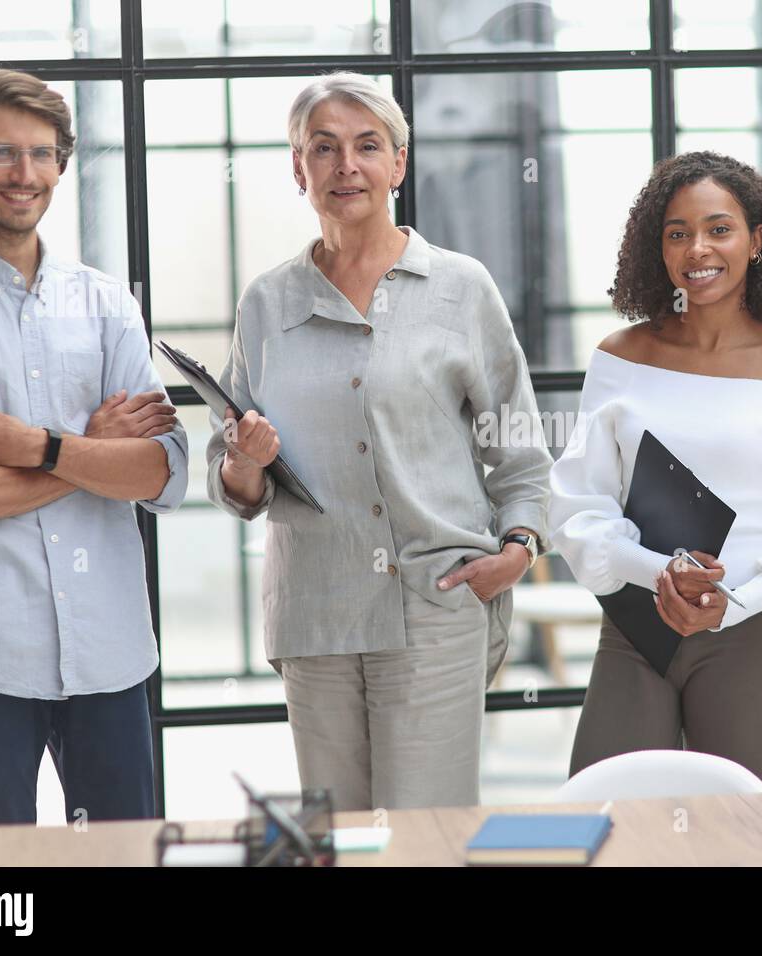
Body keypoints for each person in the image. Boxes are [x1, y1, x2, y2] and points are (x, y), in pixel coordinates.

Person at [205, 72, 552, 812]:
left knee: (425, 838)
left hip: (436, 604)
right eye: (323, 148)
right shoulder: (268, 301)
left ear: (398, 162)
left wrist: (517, 549)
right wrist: (243, 462)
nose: (345, 166)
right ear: (298, 168)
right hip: (315, 607)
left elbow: (517, 445)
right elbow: (233, 478)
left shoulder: (462, 289)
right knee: (340, 841)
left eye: (367, 146)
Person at [0, 69, 188, 842]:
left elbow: (164, 472)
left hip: (109, 645)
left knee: (126, 860)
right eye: (2, 153)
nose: (26, 175)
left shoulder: (107, 302)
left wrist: (38, 447)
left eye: (44, 154)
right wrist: (92, 452)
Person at [549, 151, 762, 785]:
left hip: (747, 636)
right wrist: (662, 571)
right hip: (636, 627)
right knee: (608, 821)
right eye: (678, 233)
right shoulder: (619, 359)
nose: (698, 249)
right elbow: (581, 508)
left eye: (719, 228)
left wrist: (729, 604)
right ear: (656, 248)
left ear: (756, 239)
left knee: (731, 835)